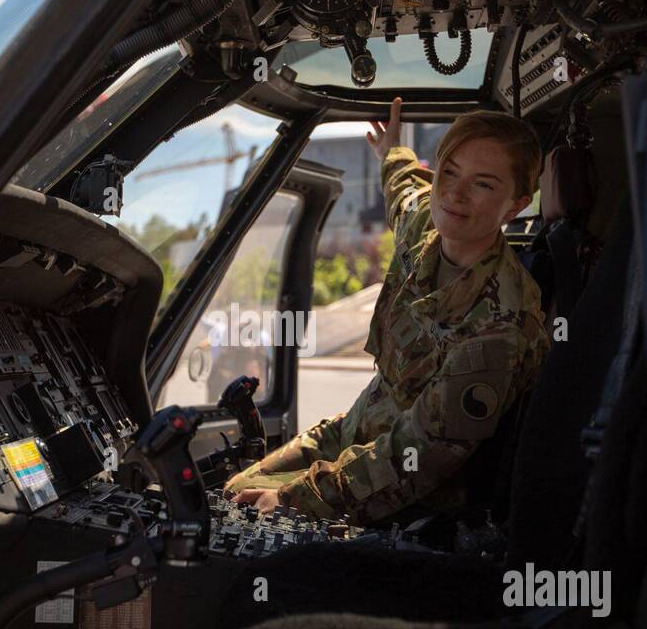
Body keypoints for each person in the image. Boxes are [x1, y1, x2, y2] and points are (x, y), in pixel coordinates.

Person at [223, 98, 550, 525]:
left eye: (483, 184)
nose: (453, 193)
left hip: (402, 489)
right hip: (350, 434)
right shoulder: (424, 229)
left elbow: (420, 455)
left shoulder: (502, 323)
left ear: (516, 205)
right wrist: (393, 150)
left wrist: (293, 499)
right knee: (226, 492)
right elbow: (405, 189)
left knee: (240, 519)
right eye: (449, 171)